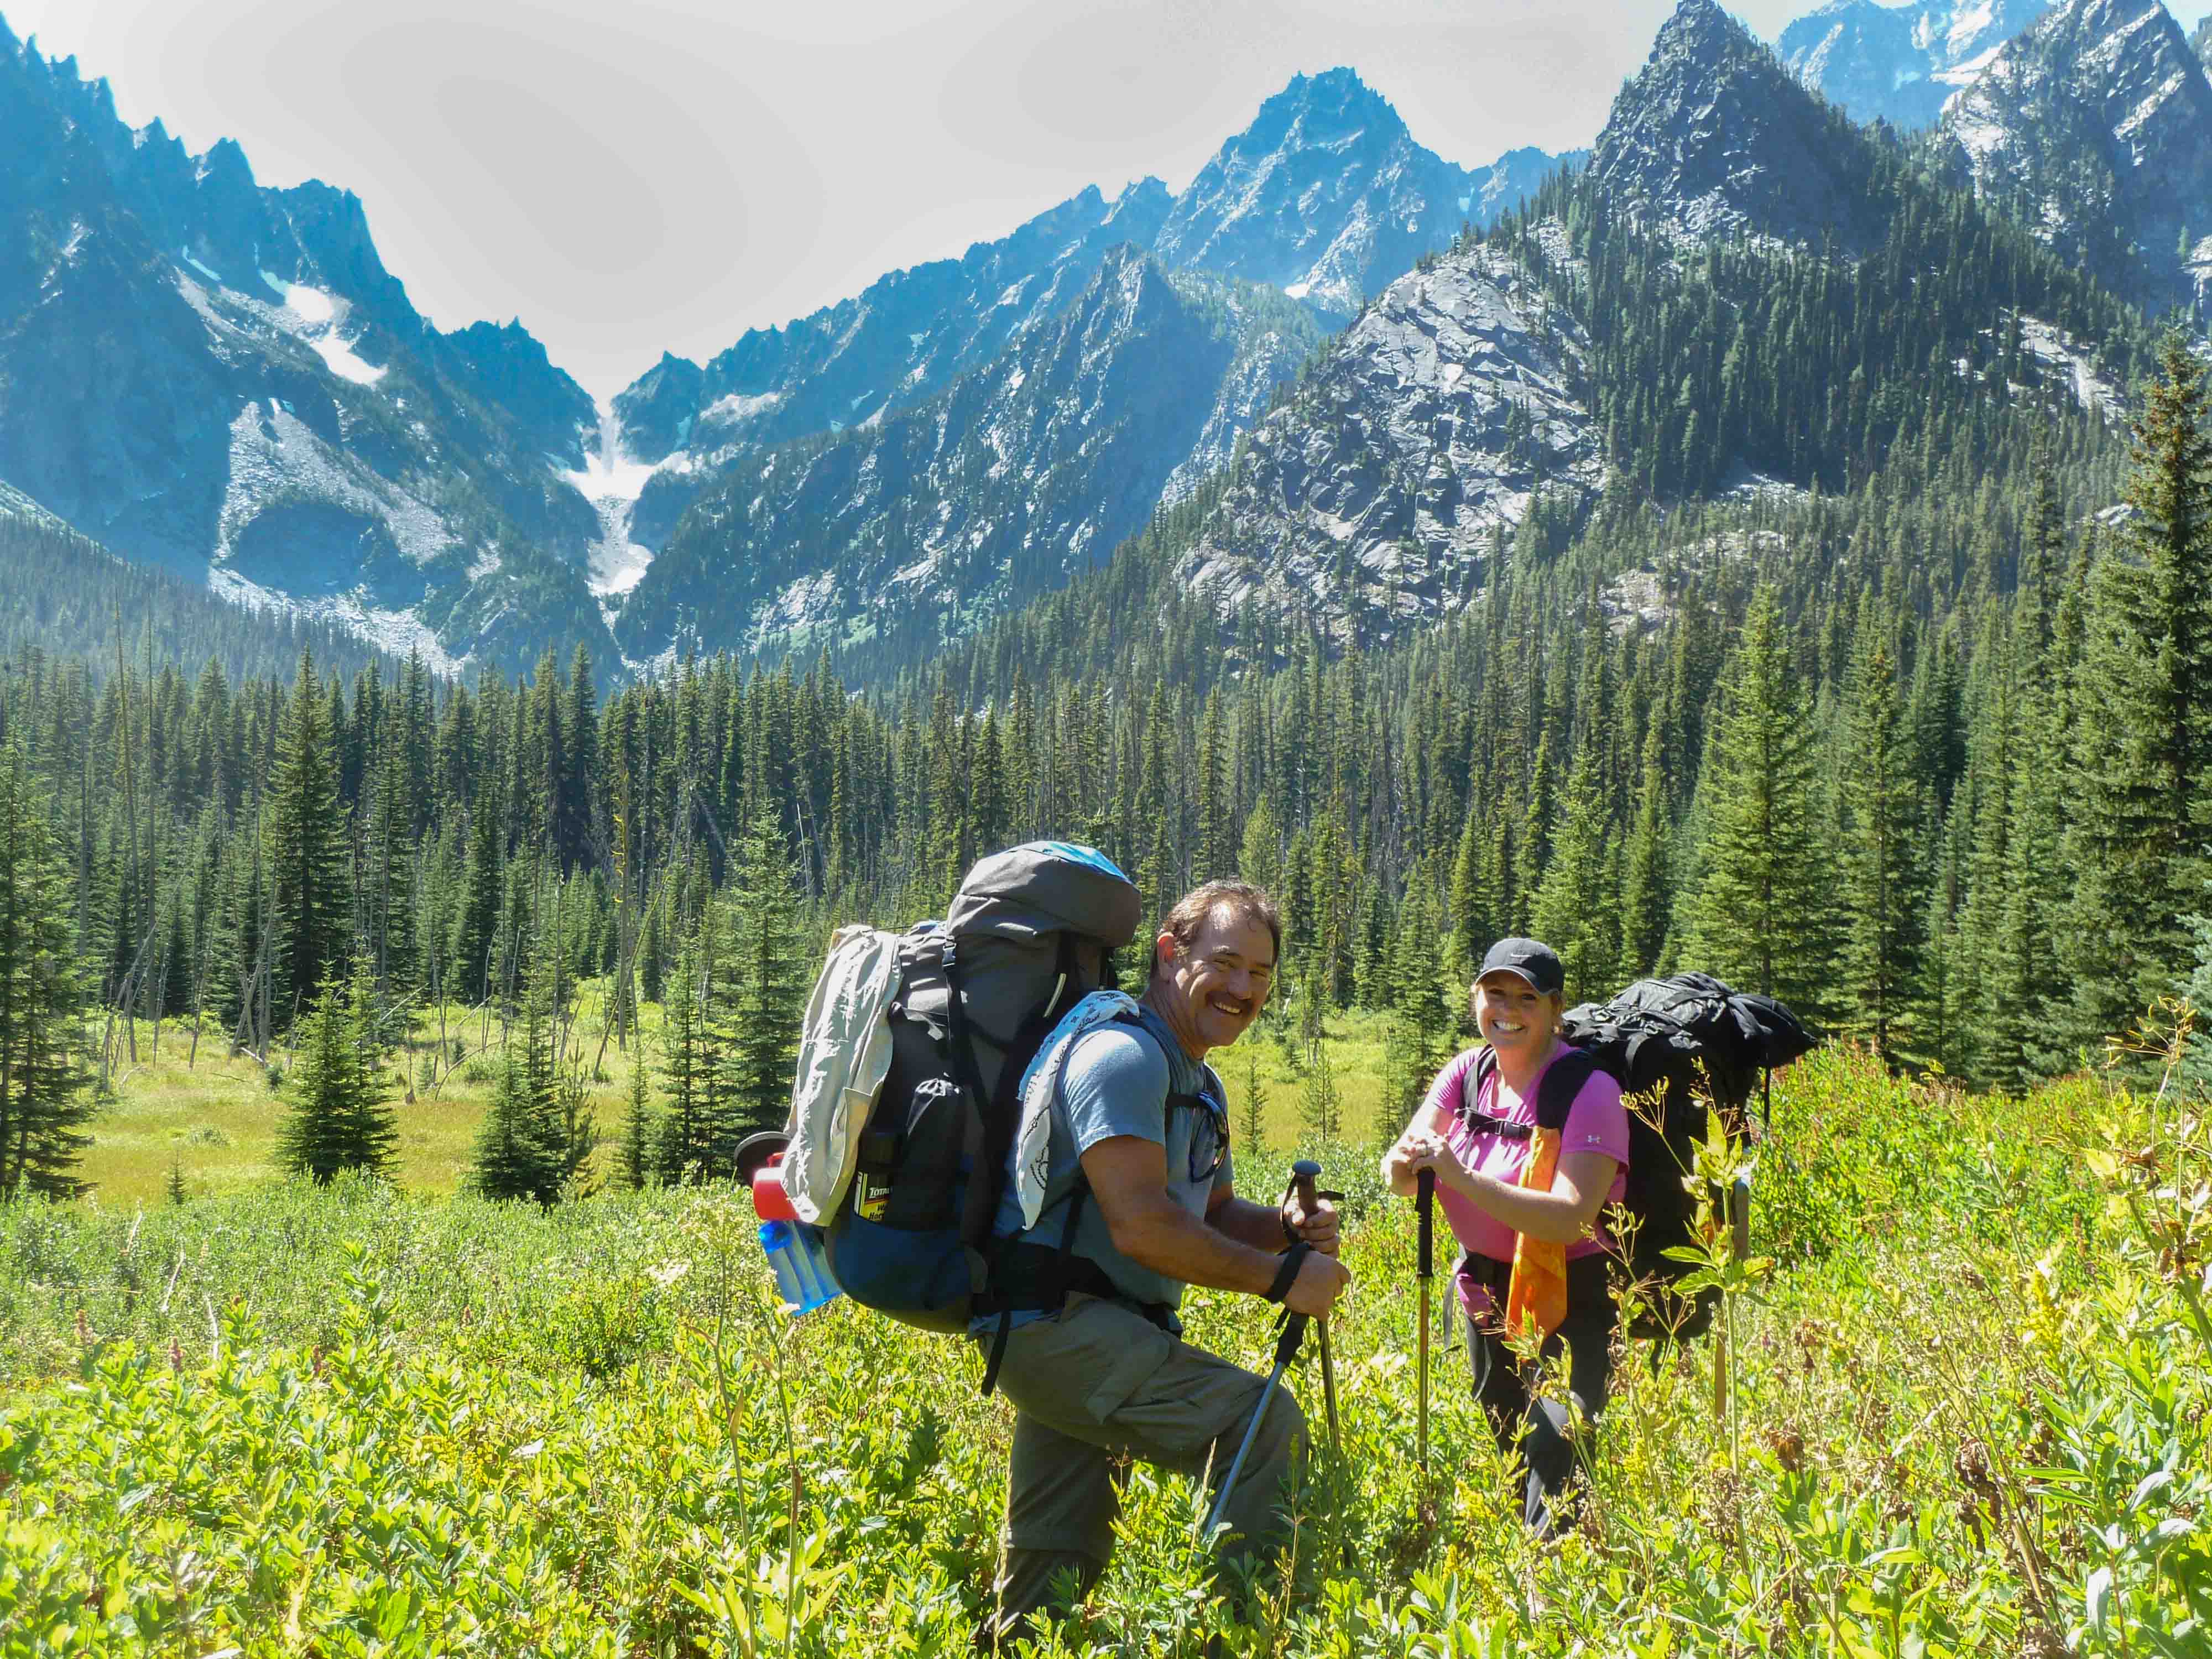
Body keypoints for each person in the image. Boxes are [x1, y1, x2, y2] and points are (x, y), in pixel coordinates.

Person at [978, 880, 1350, 1645]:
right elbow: (1143, 1227)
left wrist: (1284, 1230)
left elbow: (1208, 1215)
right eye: (1226, 964)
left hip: (1086, 1332)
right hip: (1061, 1326)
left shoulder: (1199, 1082)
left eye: (1260, 974)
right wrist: (1286, 1281)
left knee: (1054, 1567)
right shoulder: (1122, 1057)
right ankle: (1237, 1637)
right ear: (1169, 954)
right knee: (1262, 1424)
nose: (1243, 989)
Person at [1380, 937, 1629, 1536]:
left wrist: (1459, 1177)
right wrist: (1404, 1163)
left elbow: (1570, 1216)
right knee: (1508, 1433)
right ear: (1476, 998)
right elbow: (1400, 1179)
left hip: (1572, 1295)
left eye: (1526, 997)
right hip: (1484, 1292)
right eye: (1496, 994)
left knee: (1556, 1441)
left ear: (1554, 1008)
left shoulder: (1587, 1091)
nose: (1508, 1010)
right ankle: (1530, 1566)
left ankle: (1552, 1595)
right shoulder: (1465, 1074)